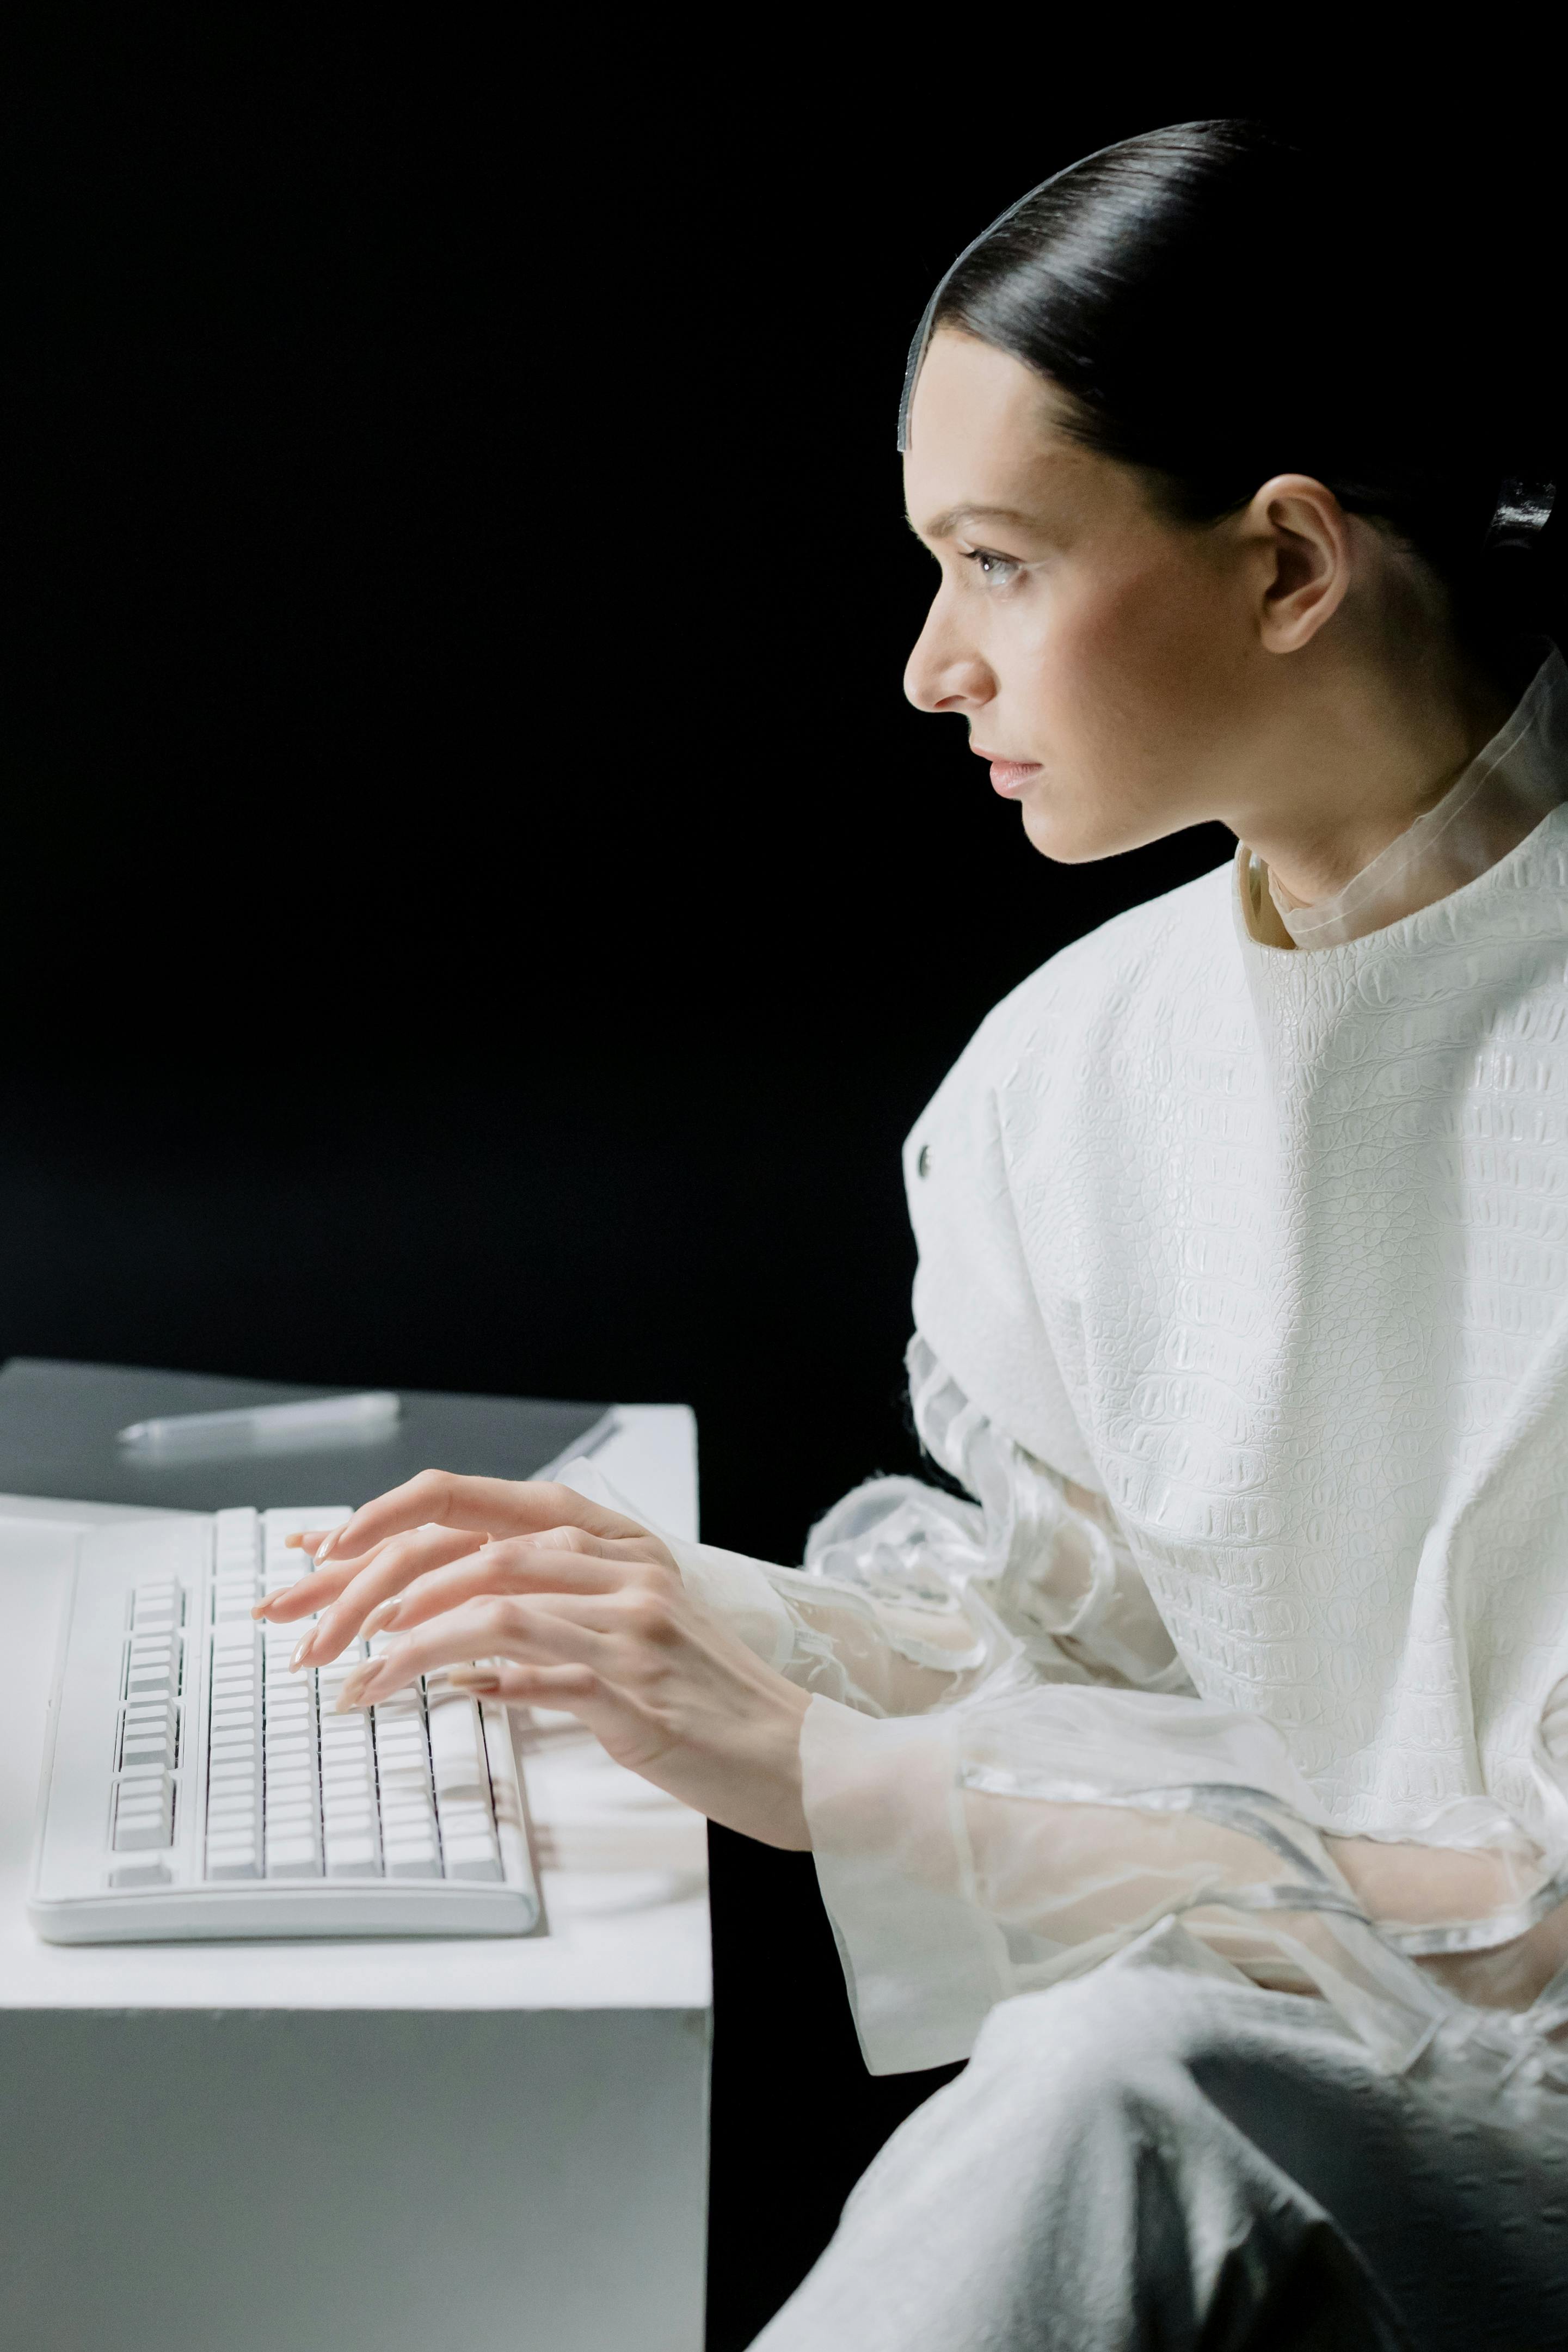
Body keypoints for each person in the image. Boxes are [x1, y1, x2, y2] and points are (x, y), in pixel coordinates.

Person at [260, 122, 1568, 2347]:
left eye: (995, 565)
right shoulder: (1066, 1077)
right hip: (1307, 2078)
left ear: (1284, 564)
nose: (927, 670)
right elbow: (1113, 1661)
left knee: (1121, 2084)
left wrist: (834, 1774)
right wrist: (646, 1610)